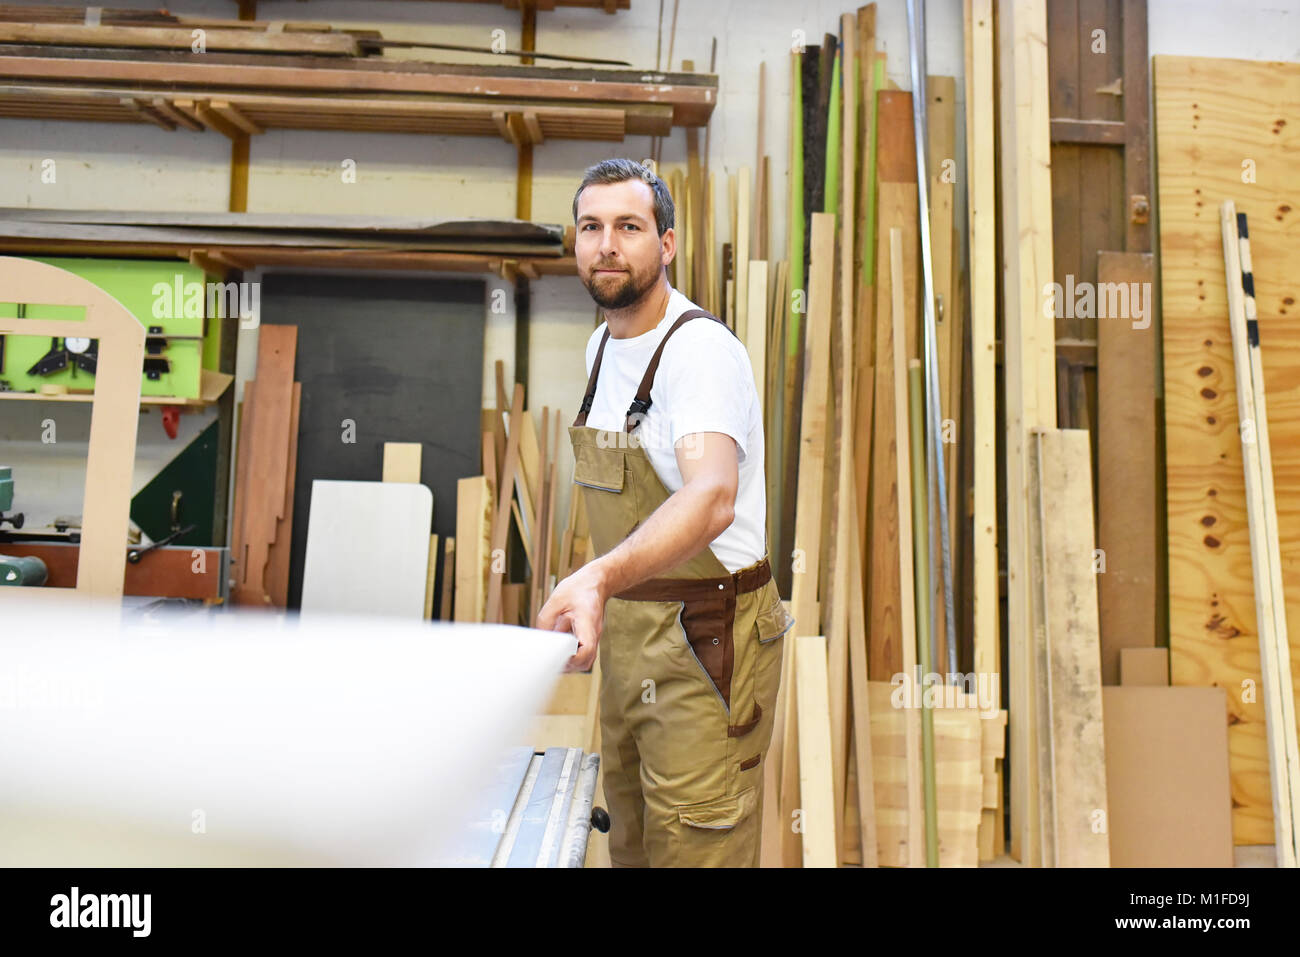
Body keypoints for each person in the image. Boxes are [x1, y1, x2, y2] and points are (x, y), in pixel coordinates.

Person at [536, 158, 793, 867]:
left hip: (706, 635)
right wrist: (596, 595)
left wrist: (599, 576)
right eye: (591, 227)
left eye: (629, 226)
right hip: (629, 634)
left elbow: (711, 497)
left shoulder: (699, 353)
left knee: (694, 841)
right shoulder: (601, 348)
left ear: (667, 243)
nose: (607, 244)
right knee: (634, 840)